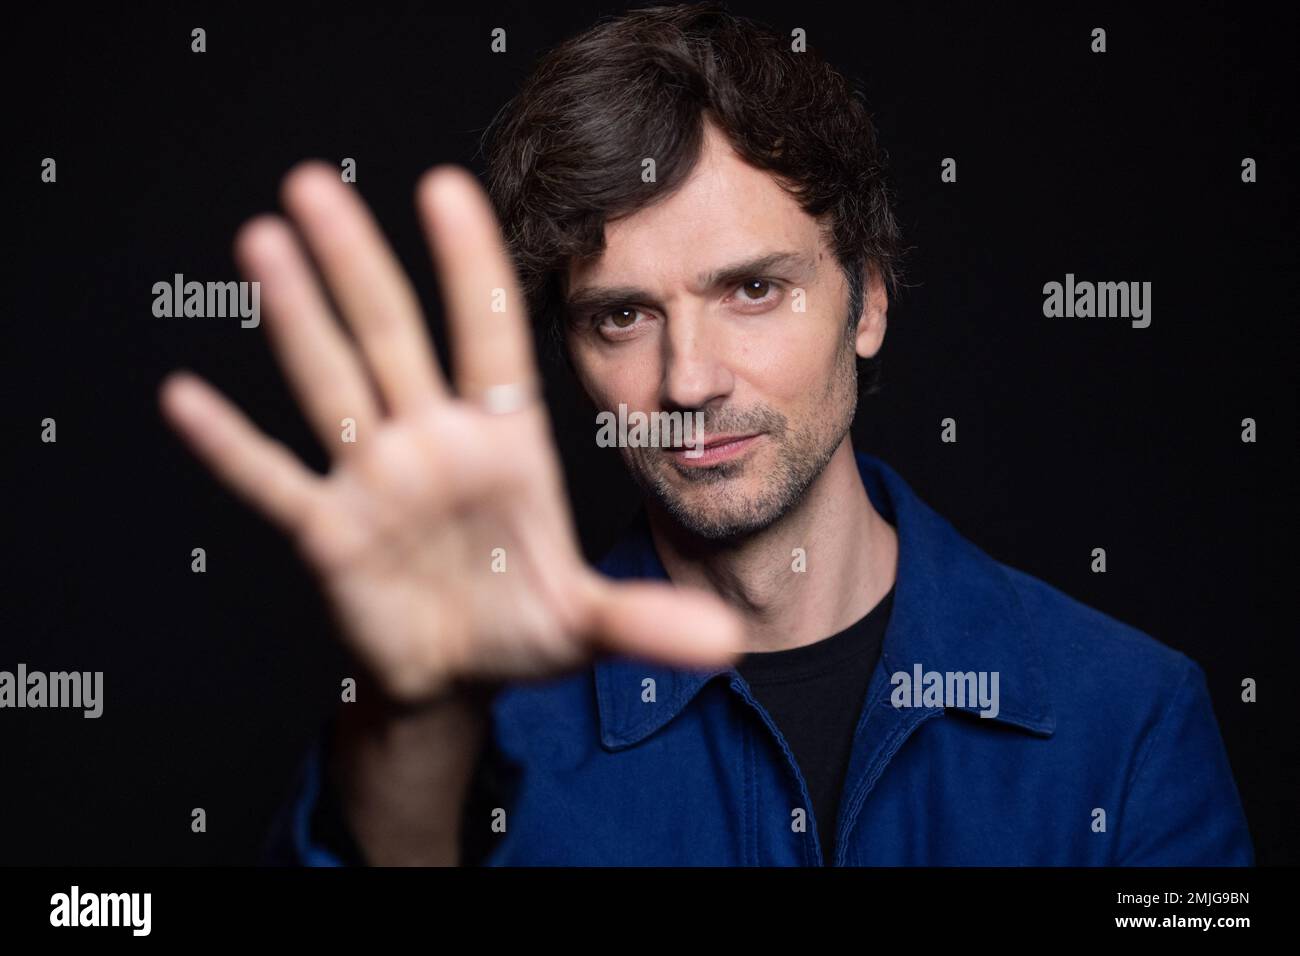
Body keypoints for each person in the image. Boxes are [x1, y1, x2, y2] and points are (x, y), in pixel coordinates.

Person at [159, 3, 1253, 866]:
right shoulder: (472, 729)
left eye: (752, 290)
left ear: (866, 302)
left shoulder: (1128, 717)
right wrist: (411, 728)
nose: (686, 380)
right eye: (621, 315)